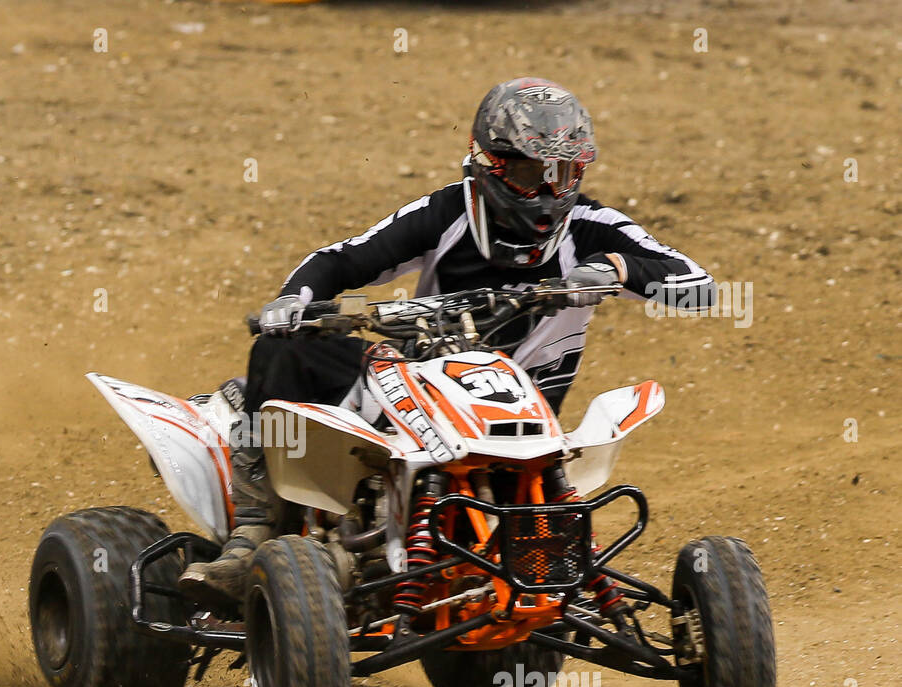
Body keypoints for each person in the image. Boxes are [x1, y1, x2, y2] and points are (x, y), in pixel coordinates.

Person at [179, 77, 716, 608]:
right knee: (283, 348)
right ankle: (252, 531)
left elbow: (699, 286)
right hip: (426, 404)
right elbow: (341, 260)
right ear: (489, 163)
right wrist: (294, 301)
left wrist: (618, 268)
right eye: (532, 174)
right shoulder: (447, 213)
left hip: (526, 419)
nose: (550, 194)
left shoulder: (593, 226)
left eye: (564, 175)